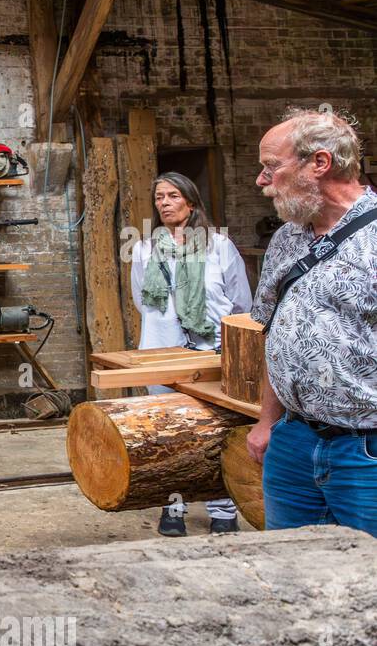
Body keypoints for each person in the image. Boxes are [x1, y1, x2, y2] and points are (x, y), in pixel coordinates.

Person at [247, 108, 377, 535]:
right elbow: (275, 334)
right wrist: (268, 422)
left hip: (365, 452)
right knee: (292, 575)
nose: (261, 181)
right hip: (293, 444)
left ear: (318, 164)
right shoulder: (287, 238)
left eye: (271, 167)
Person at [130, 172, 252, 536]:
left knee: (218, 432)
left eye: (172, 196)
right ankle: (174, 504)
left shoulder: (218, 246)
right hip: (162, 353)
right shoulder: (143, 249)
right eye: (159, 198)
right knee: (167, 434)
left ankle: (223, 508)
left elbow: (241, 302)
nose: (164, 203)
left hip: (211, 352)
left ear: (191, 202)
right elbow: (142, 303)